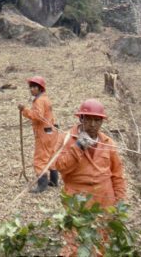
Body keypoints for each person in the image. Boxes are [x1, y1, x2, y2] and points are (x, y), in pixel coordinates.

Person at [53, 99, 127, 256]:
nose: (93, 124)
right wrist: (78, 147)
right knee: (75, 240)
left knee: (103, 239)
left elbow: (117, 175)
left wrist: (119, 202)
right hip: (77, 199)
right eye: (89, 119)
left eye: (97, 120)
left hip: (105, 199)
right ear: (81, 118)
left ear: (102, 122)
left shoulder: (108, 143)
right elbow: (60, 166)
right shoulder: (67, 139)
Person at [19, 76, 60, 192]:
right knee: (51, 155)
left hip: (43, 134)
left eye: (34, 87)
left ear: (40, 88)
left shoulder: (39, 101)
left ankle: (42, 185)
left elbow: (37, 116)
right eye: (31, 87)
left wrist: (24, 110)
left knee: (40, 159)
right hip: (51, 132)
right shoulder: (45, 98)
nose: (32, 89)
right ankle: (54, 181)